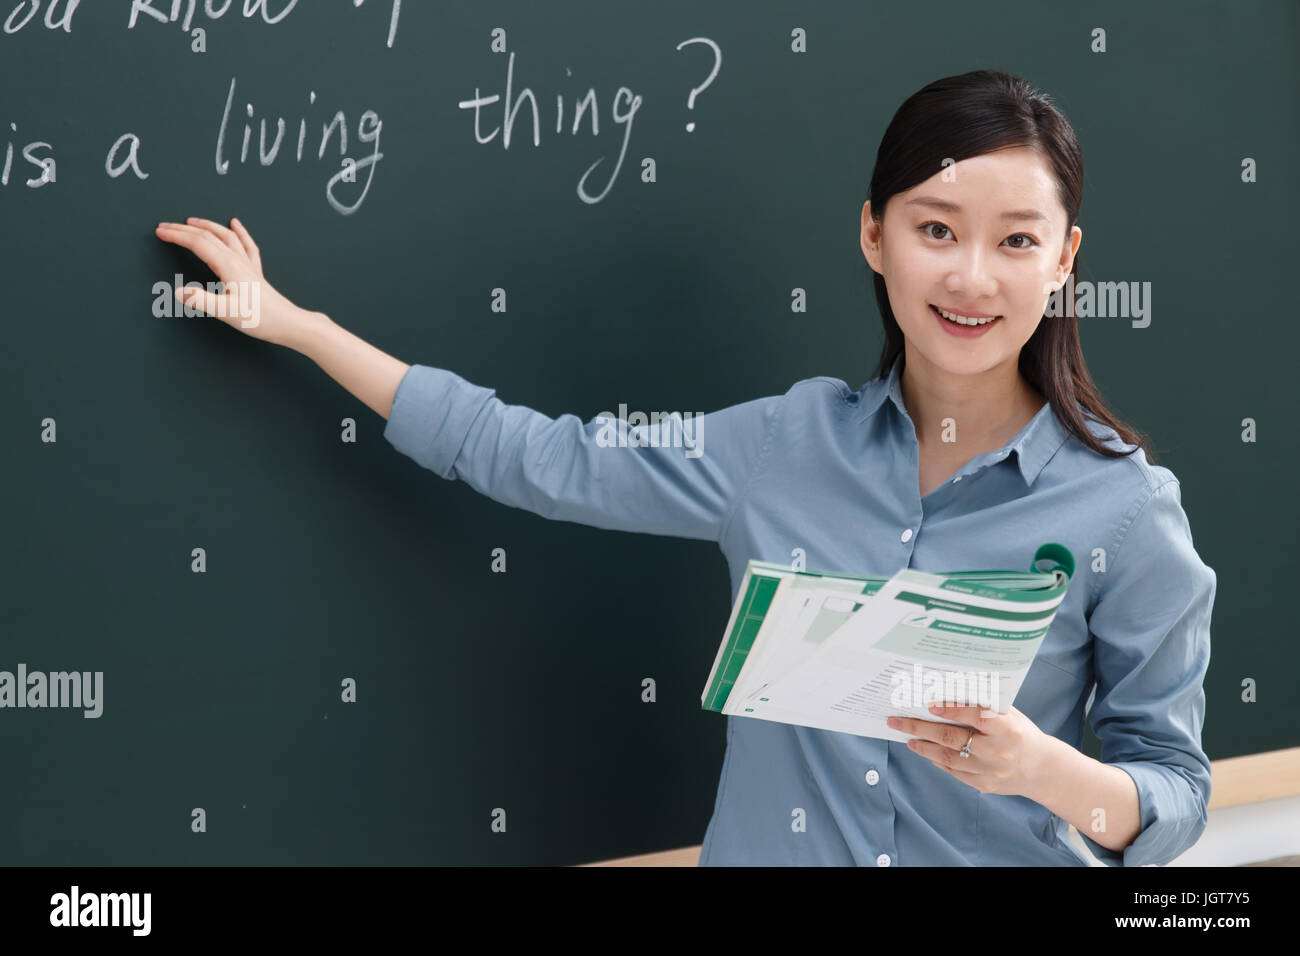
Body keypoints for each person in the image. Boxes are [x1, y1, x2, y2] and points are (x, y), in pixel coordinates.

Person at [155, 68, 1215, 867]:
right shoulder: (776, 448)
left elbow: (1171, 790)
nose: (971, 275)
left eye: (1017, 241)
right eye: (935, 228)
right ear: (874, 236)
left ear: (1065, 258)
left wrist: (1043, 768)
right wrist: (299, 326)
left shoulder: (1122, 510)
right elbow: (530, 454)